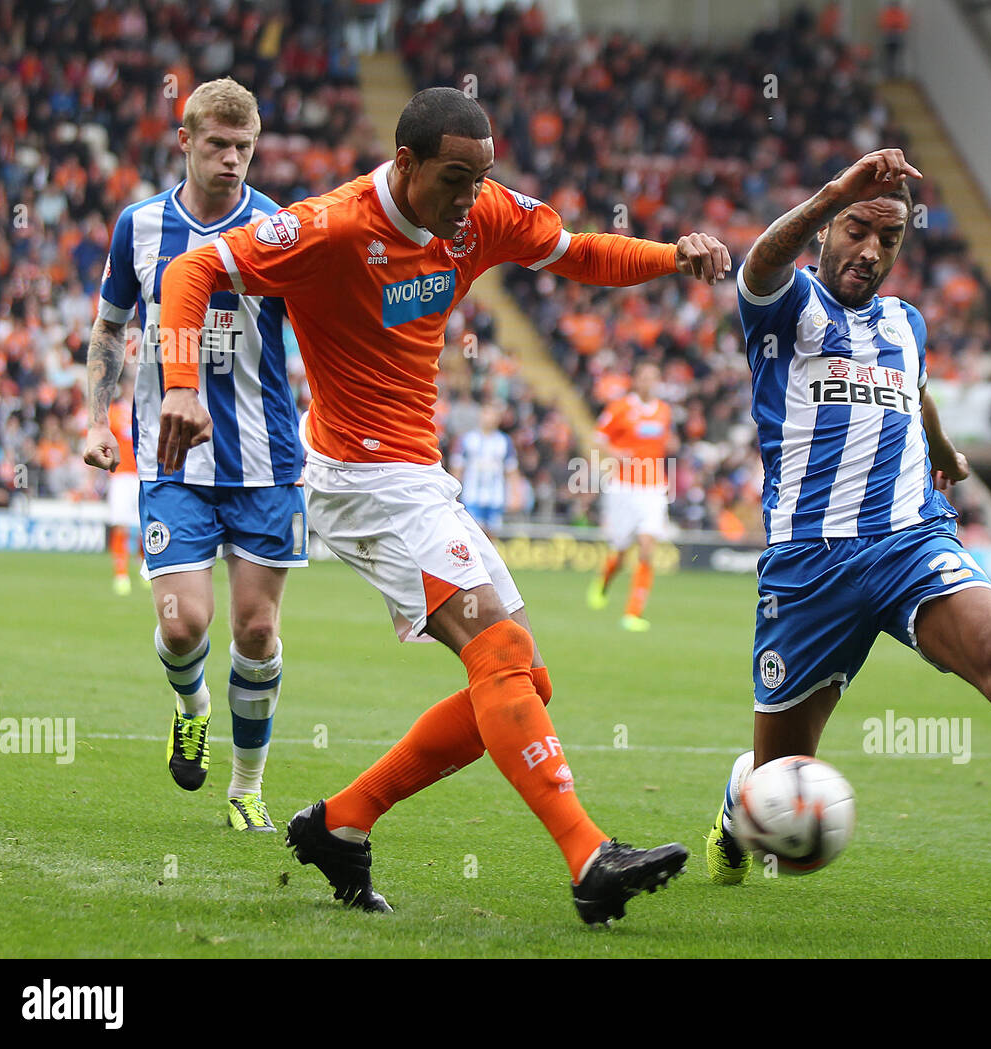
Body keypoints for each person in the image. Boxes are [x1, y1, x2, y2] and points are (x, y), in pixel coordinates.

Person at [154, 87, 732, 924]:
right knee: (498, 652)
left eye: (481, 179)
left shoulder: (479, 211)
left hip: (416, 474)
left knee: (525, 675)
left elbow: (576, 253)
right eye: (454, 180)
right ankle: (588, 856)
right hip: (357, 479)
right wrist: (180, 386)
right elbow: (192, 267)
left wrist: (671, 256)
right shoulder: (334, 225)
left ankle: (341, 822)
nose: (468, 200)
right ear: (405, 164)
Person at [705, 148, 991, 885]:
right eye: (857, 229)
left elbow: (913, 386)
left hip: (909, 541)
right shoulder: (788, 305)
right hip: (809, 564)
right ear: (829, 229)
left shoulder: (906, 323)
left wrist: (942, 446)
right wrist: (835, 192)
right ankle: (736, 815)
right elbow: (758, 265)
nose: (870, 250)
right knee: (780, 790)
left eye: (888, 239)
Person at [84, 78, 306, 833]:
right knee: (183, 626)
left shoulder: (280, 228)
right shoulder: (139, 226)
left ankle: (247, 786)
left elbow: (315, 330)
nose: (233, 159)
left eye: (245, 146)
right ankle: (191, 706)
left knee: (255, 630)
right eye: (218, 144)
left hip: (266, 460)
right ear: (185, 141)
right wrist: (96, 419)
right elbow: (110, 328)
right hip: (171, 458)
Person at [586, 359, 673, 631]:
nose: (649, 382)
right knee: (621, 551)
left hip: (654, 487)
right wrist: (616, 453)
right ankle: (604, 581)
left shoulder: (664, 411)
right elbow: (598, 438)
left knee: (647, 548)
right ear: (636, 380)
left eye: (653, 377)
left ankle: (633, 613)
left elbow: (661, 443)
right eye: (644, 377)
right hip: (624, 487)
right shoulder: (620, 407)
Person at [450, 401, 519, 536]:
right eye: (487, 413)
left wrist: (515, 495)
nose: (490, 418)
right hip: (472, 496)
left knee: (492, 535)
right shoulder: (468, 439)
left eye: (494, 414)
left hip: (496, 497)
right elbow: (458, 467)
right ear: (480, 415)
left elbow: (511, 470)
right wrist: (453, 493)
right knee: (473, 534)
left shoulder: (504, 441)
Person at [105, 371, 146, 595]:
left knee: (143, 525)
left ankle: (144, 566)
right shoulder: (113, 412)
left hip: (142, 474)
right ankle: (120, 574)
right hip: (120, 475)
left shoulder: (145, 411)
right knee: (120, 524)